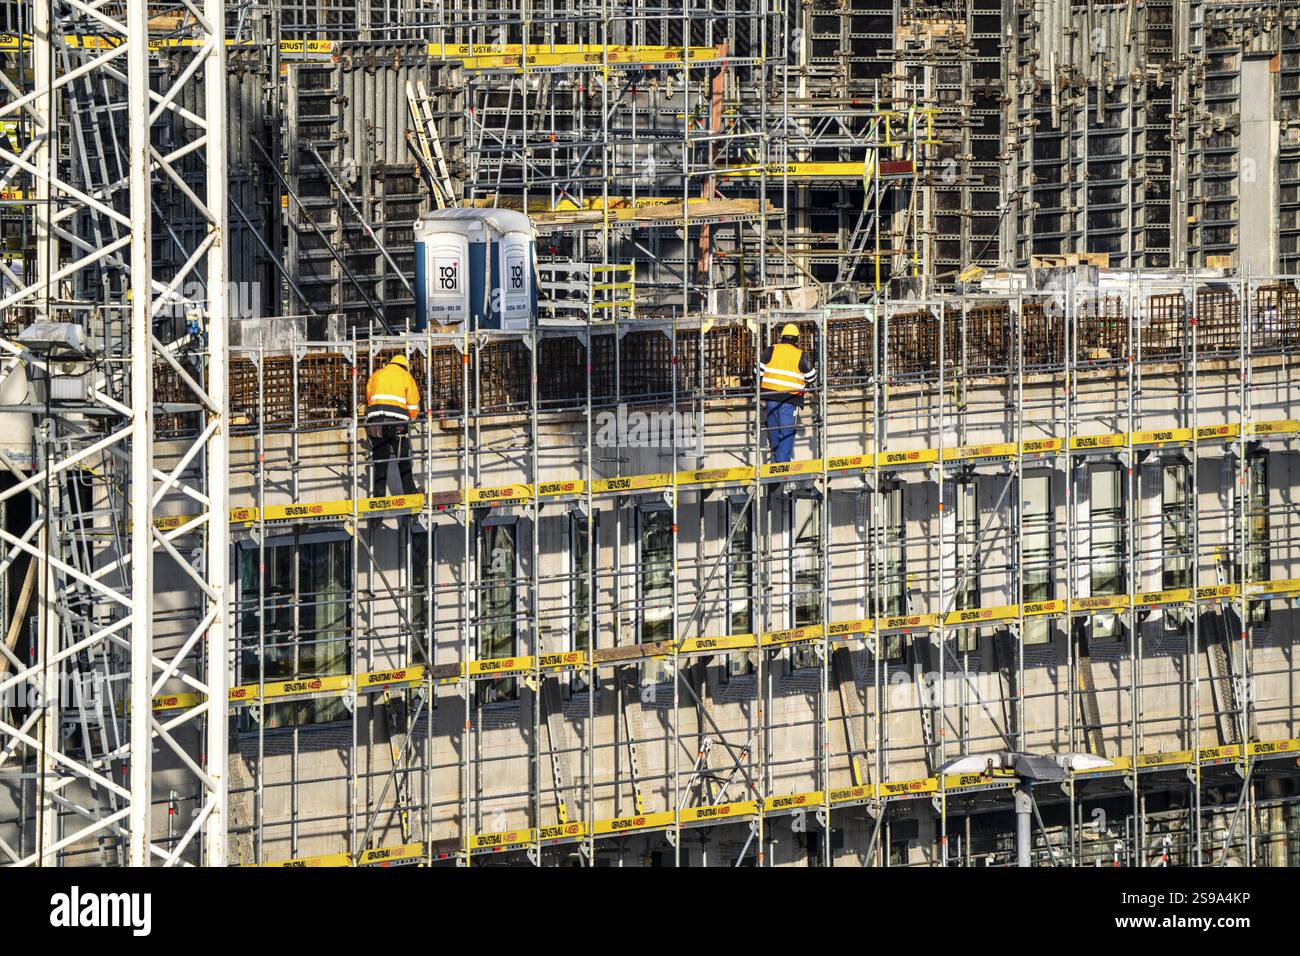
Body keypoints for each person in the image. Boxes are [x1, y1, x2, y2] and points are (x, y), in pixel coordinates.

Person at [364, 353, 421, 497]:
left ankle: (378, 498)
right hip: (398, 425)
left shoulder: (377, 375)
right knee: (403, 460)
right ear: (404, 366)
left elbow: (369, 398)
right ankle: (410, 492)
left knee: (380, 463)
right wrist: (412, 419)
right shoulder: (406, 376)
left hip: (376, 424)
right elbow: (413, 404)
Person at [758, 323, 817, 463]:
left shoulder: (771, 350)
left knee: (773, 428)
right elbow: (812, 376)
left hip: (769, 398)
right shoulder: (800, 355)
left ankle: (775, 459)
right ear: (797, 339)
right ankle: (782, 463)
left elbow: (757, 371)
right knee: (787, 431)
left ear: (782, 336)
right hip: (789, 399)